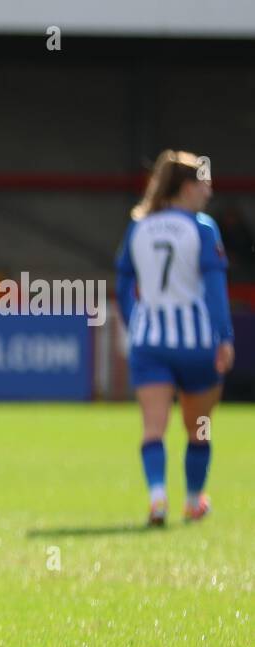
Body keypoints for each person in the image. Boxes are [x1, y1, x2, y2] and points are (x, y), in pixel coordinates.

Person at [116, 150, 235, 526]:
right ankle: (194, 499)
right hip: (196, 343)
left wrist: (135, 320)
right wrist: (225, 336)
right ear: (186, 187)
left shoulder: (138, 226)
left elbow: (123, 280)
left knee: (153, 427)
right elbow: (215, 287)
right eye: (204, 183)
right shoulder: (201, 228)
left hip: (150, 341)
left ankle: (157, 498)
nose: (209, 191)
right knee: (198, 427)